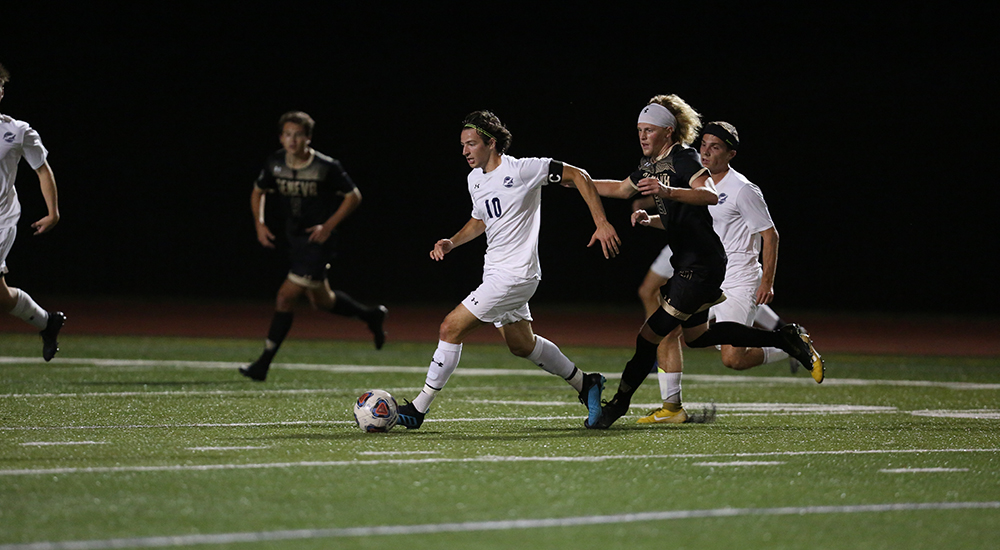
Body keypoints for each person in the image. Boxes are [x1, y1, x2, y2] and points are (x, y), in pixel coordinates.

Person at [578, 95, 823, 429]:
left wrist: (665, 193)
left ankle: (618, 406)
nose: (642, 136)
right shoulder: (652, 164)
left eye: (649, 130)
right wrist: (575, 180)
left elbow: (708, 194)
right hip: (692, 264)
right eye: (639, 129)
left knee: (649, 336)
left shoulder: (685, 158)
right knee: (695, 337)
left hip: (702, 267)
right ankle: (785, 338)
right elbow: (622, 189)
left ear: (668, 131)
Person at [396, 110, 621, 429]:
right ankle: (587, 384)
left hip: (516, 276)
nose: (465, 151)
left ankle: (418, 409)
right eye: (463, 145)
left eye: (471, 144)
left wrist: (601, 222)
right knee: (521, 345)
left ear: (491, 142)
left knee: (450, 327)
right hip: (496, 274)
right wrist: (451, 242)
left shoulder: (524, 169)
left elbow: (580, 176)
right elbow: (481, 220)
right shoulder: (474, 179)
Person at [637, 121, 818, 425]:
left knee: (732, 359)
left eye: (715, 147)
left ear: (730, 154)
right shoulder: (695, 183)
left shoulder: (743, 190)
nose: (705, 152)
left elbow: (770, 235)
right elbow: (684, 223)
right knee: (666, 328)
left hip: (737, 279)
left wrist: (766, 281)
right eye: (703, 144)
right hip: (705, 276)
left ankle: (791, 344)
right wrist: (649, 219)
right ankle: (672, 408)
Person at [240, 111, 387, 382]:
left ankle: (263, 363)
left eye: (298, 134)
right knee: (323, 301)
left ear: (308, 137)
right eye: (287, 134)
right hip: (294, 239)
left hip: (318, 243)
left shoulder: (325, 166)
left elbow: (353, 196)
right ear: (281, 137)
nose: (292, 140)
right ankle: (371, 316)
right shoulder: (275, 162)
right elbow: (258, 190)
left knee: (285, 296)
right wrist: (259, 224)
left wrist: (328, 225)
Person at [0, 62, 65, 361]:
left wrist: (53, 212)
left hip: (2, 218)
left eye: (0, 86)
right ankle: (46, 321)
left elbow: (42, 170)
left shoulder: (17, 130)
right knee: (2, 296)